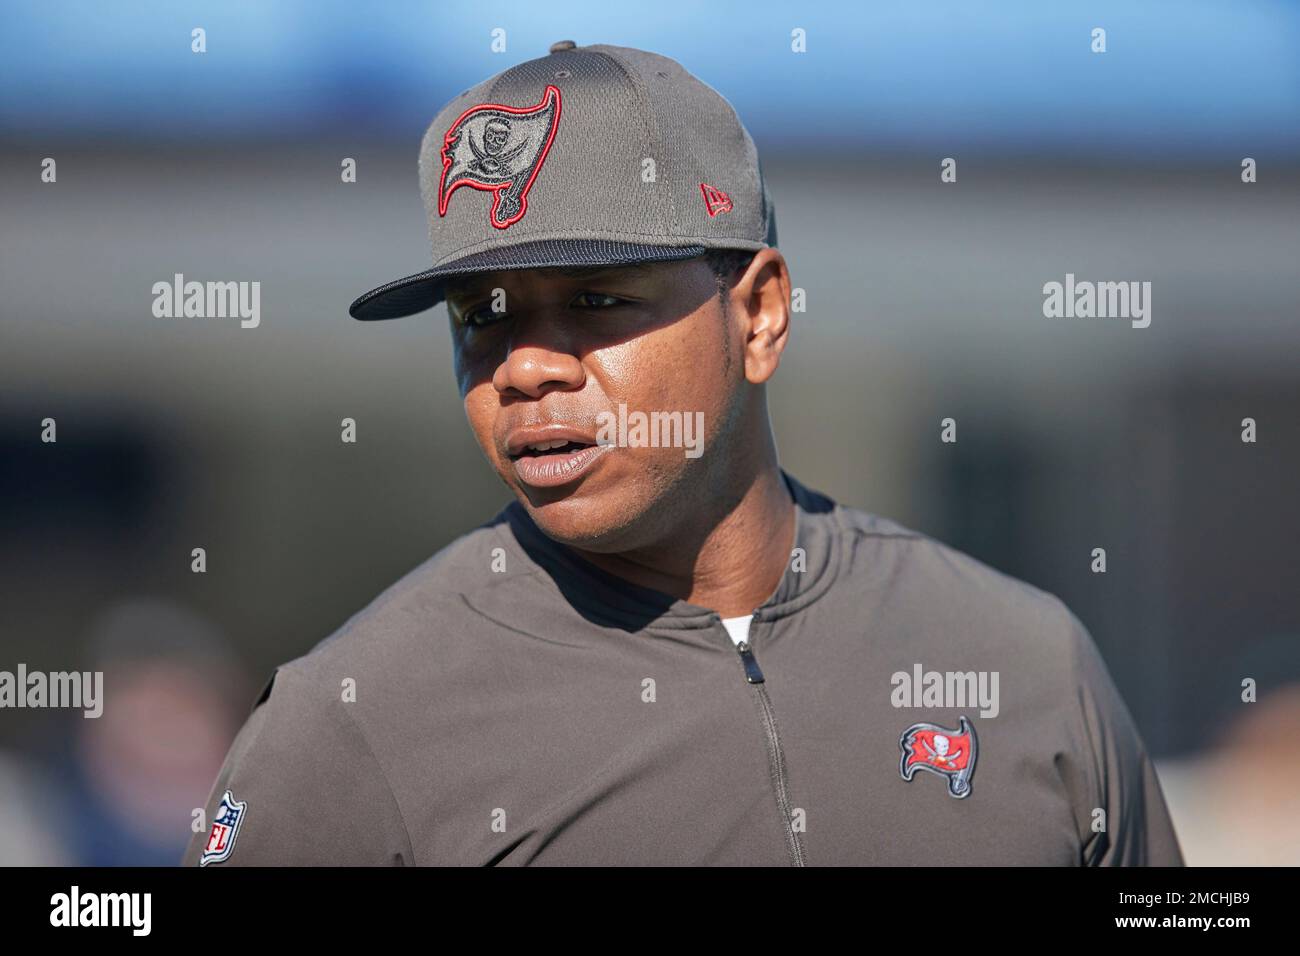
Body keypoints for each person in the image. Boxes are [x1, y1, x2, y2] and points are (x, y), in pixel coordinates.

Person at [183, 41, 1183, 866]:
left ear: (757, 313)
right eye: (480, 317)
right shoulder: (354, 718)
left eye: (595, 299)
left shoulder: (1022, 659)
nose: (524, 365)